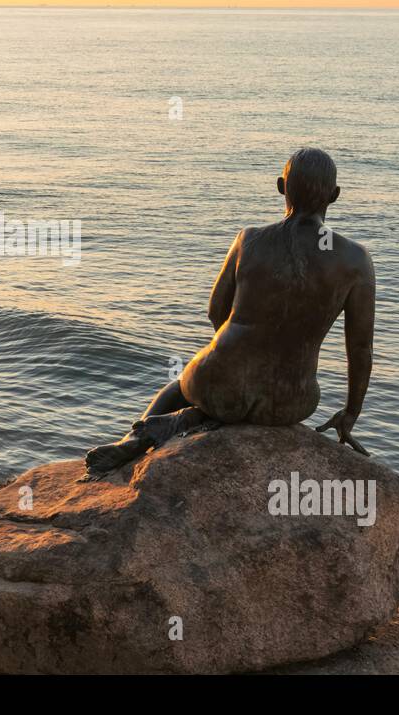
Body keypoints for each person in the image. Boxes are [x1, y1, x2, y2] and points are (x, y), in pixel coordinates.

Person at [85, 147, 376, 474]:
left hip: (218, 381)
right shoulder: (355, 260)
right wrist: (350, 413)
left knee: (180, 385)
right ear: (335, 196)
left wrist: (238, 362)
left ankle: (136, 437)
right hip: (290, 401)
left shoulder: (249, 240)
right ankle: (195, 417)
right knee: (237, 396)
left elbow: (215, 311)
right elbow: (361, 348)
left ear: (281, 187)